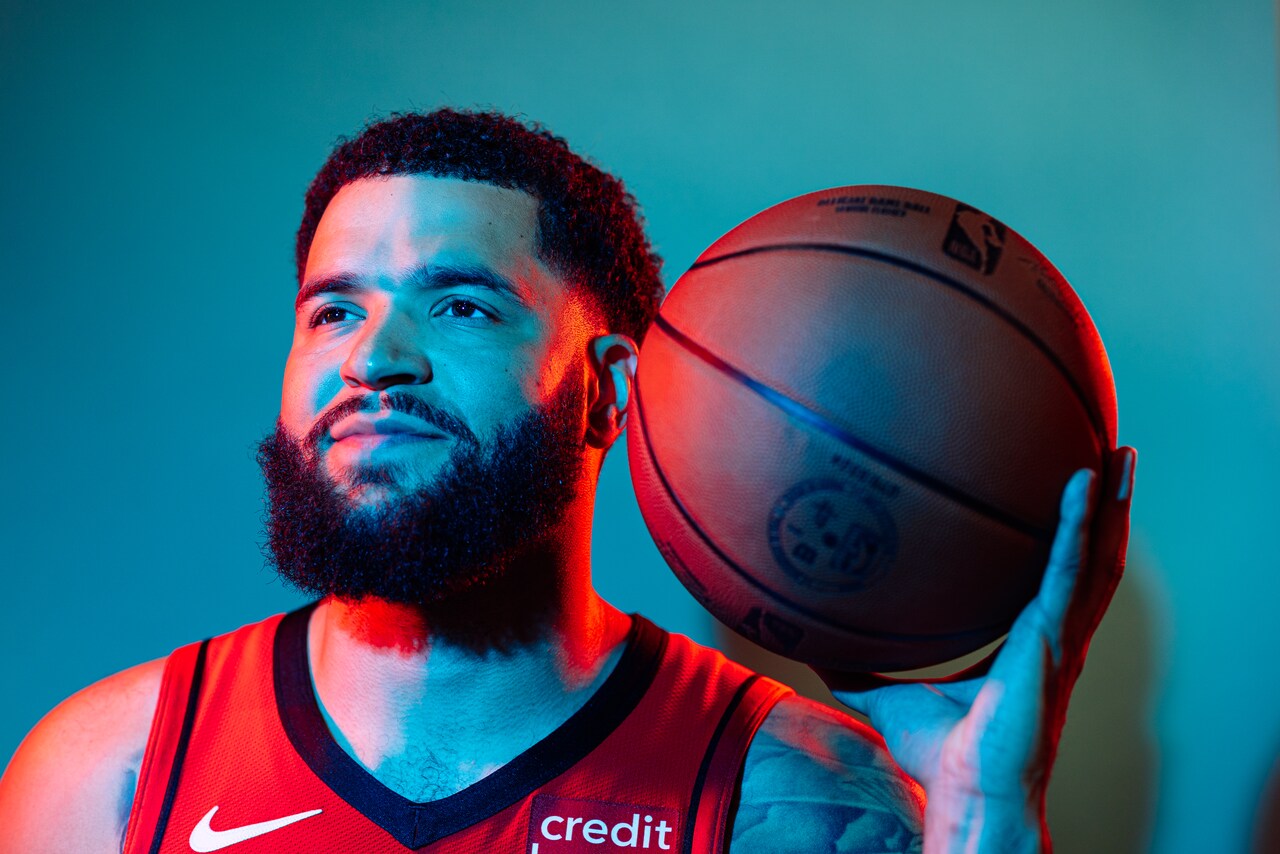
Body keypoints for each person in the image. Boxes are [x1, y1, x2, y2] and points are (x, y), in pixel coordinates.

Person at [0, 109, 1136, 853]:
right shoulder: (107, 776)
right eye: (332, 307)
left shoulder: (785, 797)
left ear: (607, 390)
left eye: (460, 304)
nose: (371, 356)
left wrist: (983, 812)